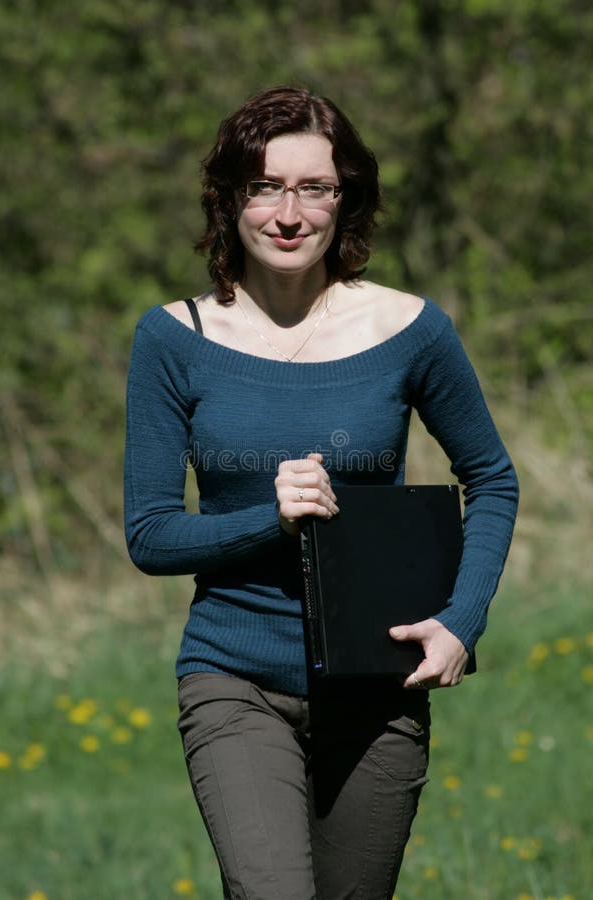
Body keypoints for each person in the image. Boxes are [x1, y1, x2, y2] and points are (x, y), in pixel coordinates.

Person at [123, 86, 519, 900]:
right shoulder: (173, 339)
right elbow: (151, 534)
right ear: (229, 199)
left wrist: (462, 620)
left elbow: (492, 478)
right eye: (264, 187)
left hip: (379, 685)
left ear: (348, 200)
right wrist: (268, 519)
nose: (288, 213)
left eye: (315, 188)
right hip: (234, 680)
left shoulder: (411, 331)